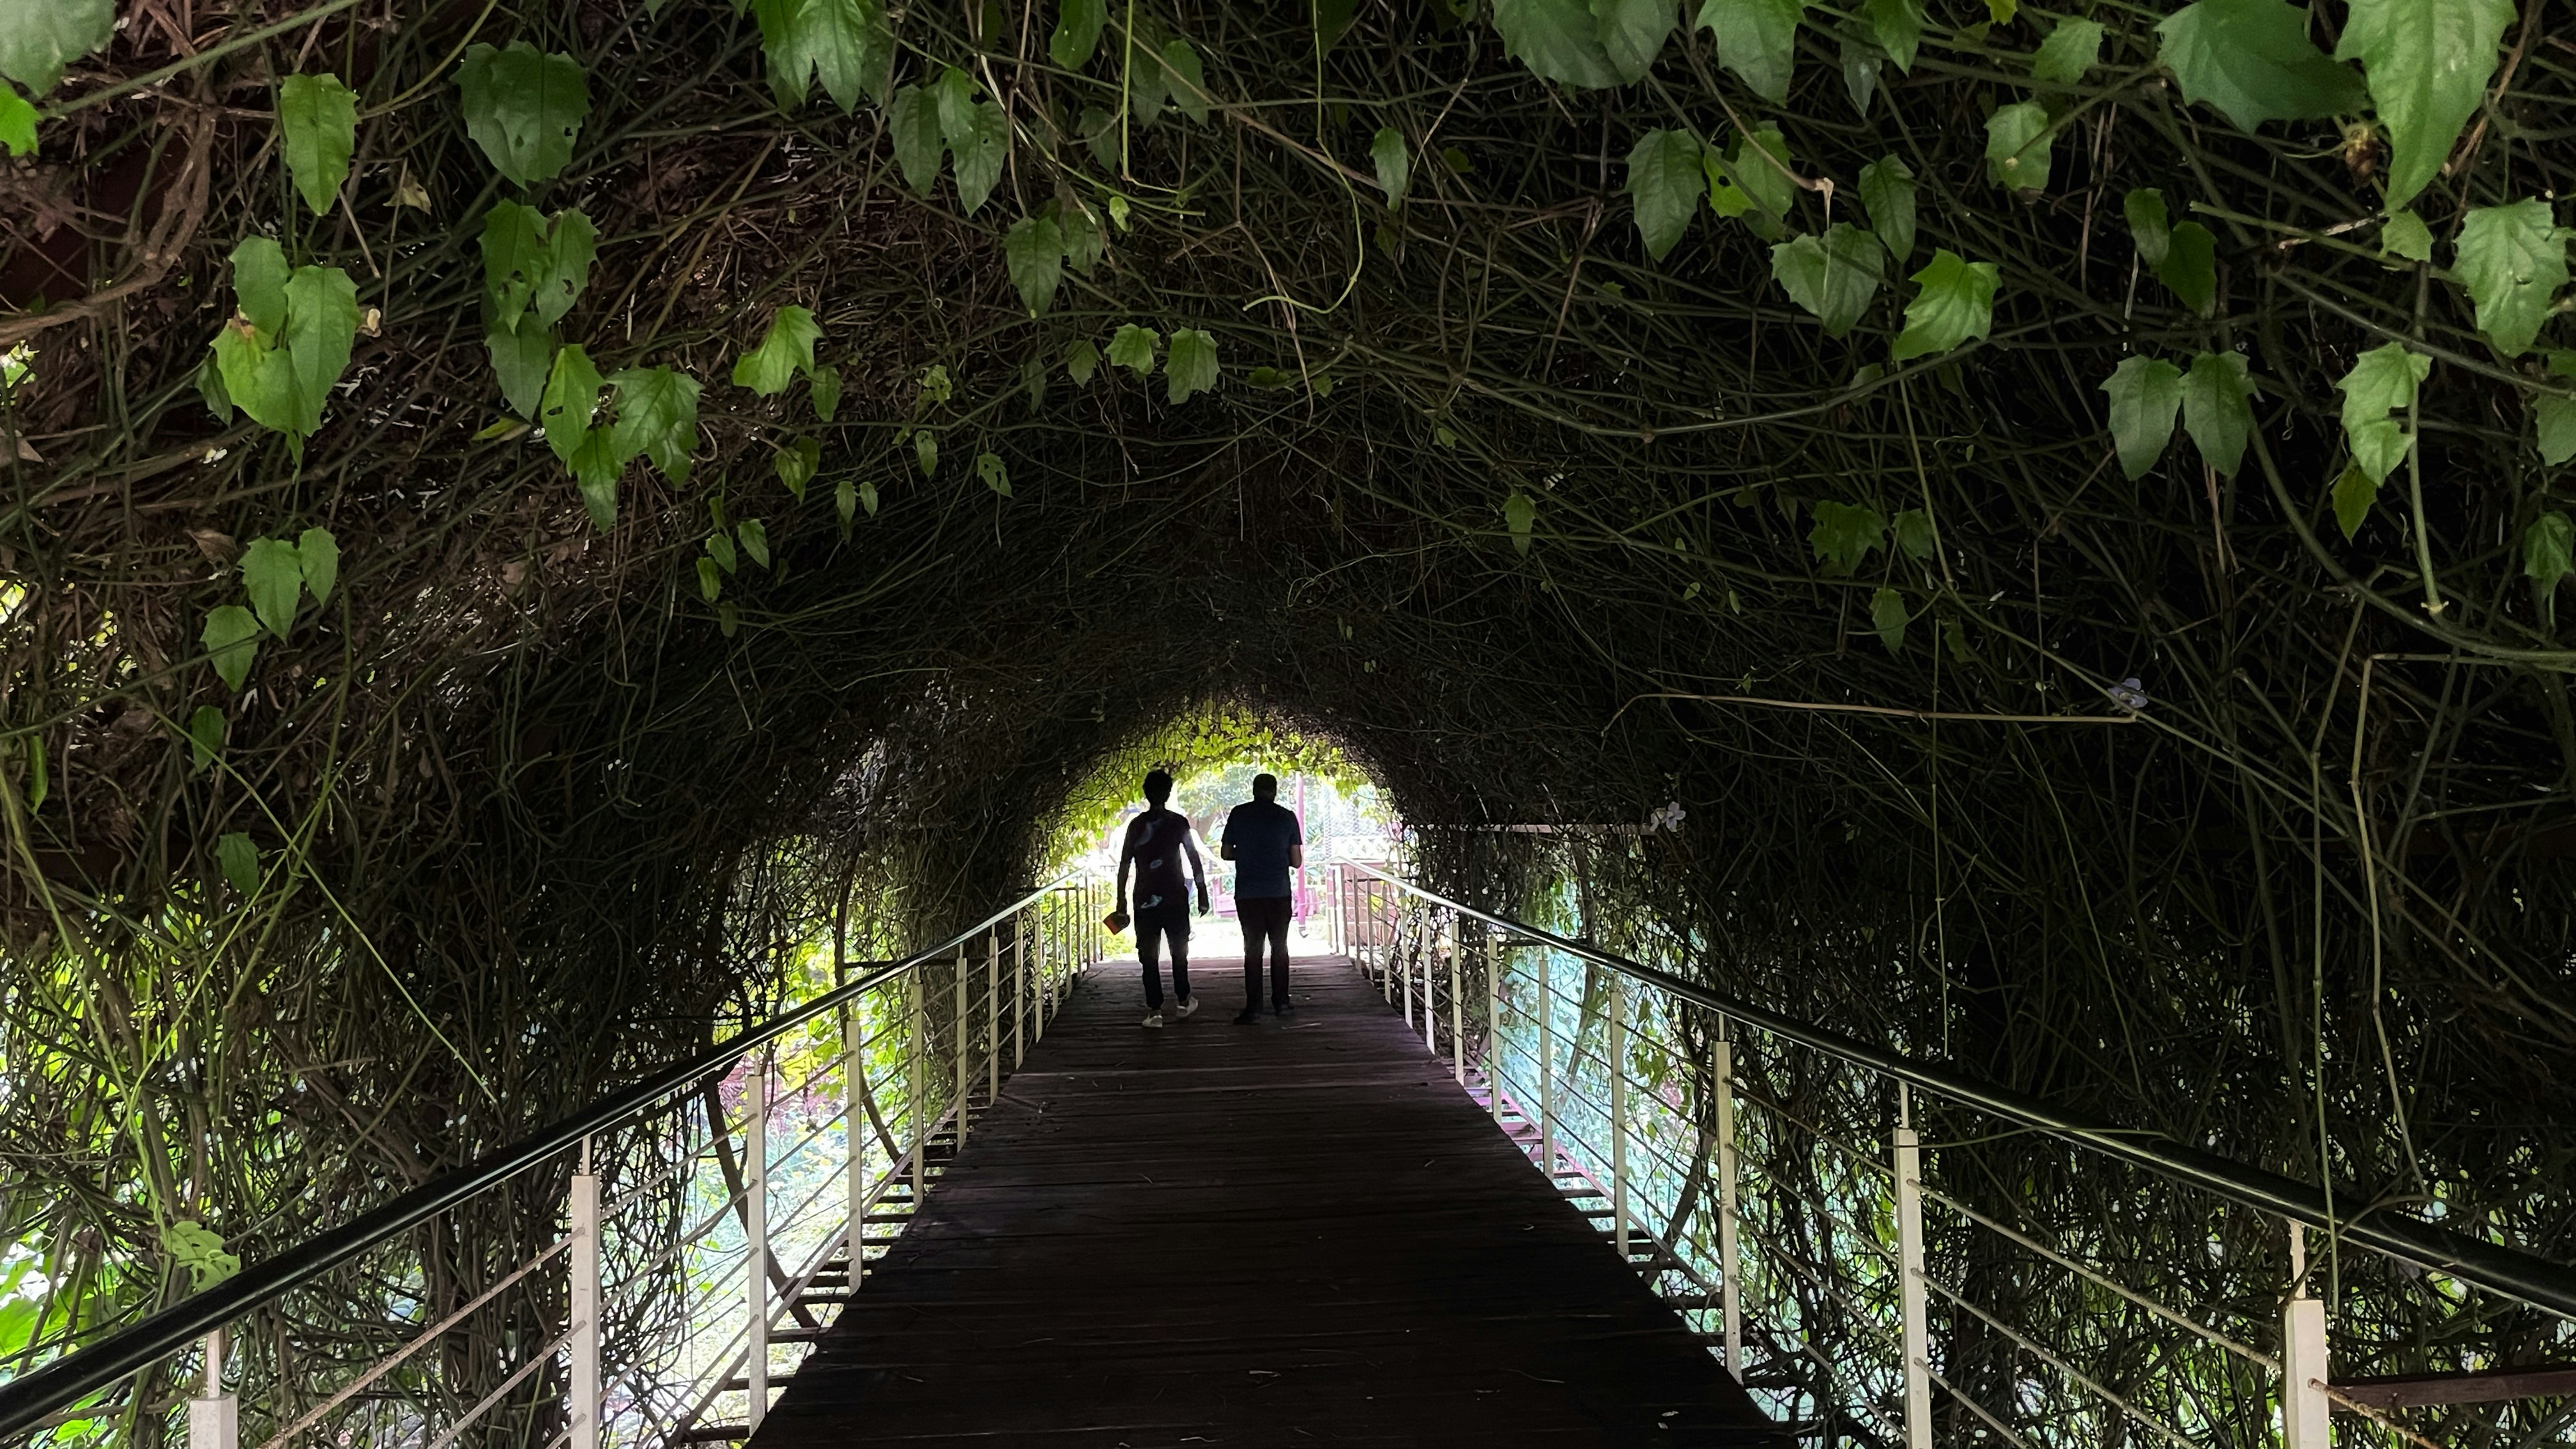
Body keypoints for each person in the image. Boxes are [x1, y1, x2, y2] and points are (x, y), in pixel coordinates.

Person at [1116, 769, 1208, 1027]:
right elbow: (1193, 858)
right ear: (1168, 793)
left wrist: (1121, 901)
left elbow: (1124, 864)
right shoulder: (1178, 822)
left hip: (1144, 896)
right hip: (1175, 895)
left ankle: (1155, 1010)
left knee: (1149, 954)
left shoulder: (1136, 825)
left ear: (1145, 794)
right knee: (1179, 951)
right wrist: (1201, 891)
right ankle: (1183, 1000)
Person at [1220, 772, 1304, 1023]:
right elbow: (1297, 861)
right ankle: (1282, 1004)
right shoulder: (1287, 817)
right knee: (1280, 947)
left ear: (1253, 790)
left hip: (1248, 893)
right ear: (1274, 791)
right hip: (1278, 892)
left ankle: (1254, 1007)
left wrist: (1247, 854)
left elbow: (1226, 853)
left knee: (1252, 949)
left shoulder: (1239, 814)